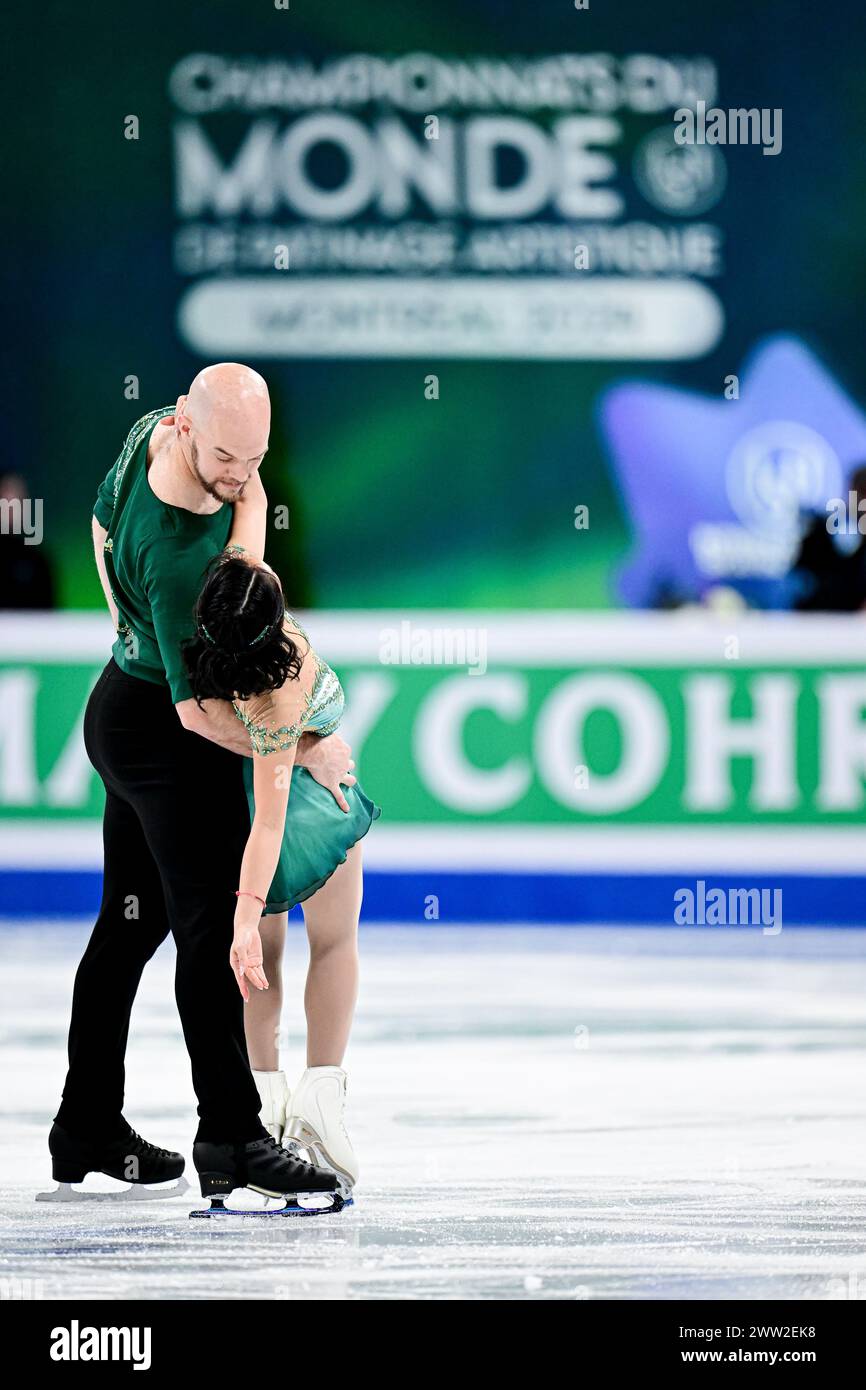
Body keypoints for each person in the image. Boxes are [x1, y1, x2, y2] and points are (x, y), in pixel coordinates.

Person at [50, 364, 350, 1204]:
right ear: (188, 425)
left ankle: (84, 1124)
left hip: (120, 698)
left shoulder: (154, 429)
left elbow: (110, 522)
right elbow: (199, 718)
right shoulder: (180, 563)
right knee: (211, 930)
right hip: (163, 736)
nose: (238, 476)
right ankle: (231, 1133)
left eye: (251, 457)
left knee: (126, 927)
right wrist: (295, 743)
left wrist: (244, 521)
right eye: (225, 458)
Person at [180, 482, 380, 1192]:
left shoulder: (222, 614)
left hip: (236, 801)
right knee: (334, 940)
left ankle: (262, 1098)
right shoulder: (279, 683)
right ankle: (320, 1100)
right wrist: (240, 913)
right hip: (308, 808)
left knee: (262, 958)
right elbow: (272, 821)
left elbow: (247, 546)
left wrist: (250, 478)